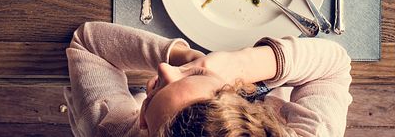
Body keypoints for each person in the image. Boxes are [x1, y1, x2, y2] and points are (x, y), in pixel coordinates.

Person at [65, 21, 352, 136]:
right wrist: (242, 61)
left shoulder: (108, 127)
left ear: (142, 121)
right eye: (200, 75)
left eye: (155, 90)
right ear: (244, 98)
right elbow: (334, 65)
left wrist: (182, 57)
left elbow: (89, 45)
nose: (165, 69)